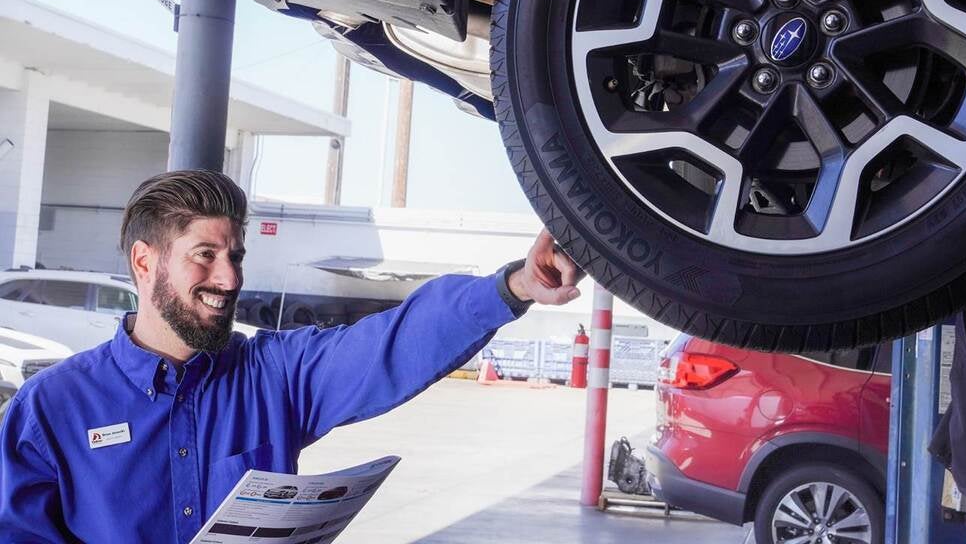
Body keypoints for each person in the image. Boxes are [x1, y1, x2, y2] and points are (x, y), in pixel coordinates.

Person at [0, 170, 582, 542]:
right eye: (204, 255)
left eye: (236, 256)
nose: (228, 277)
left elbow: (391, 344)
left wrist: (515, 287)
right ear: (145, 261)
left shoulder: (273, 376)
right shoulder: (52, 407)